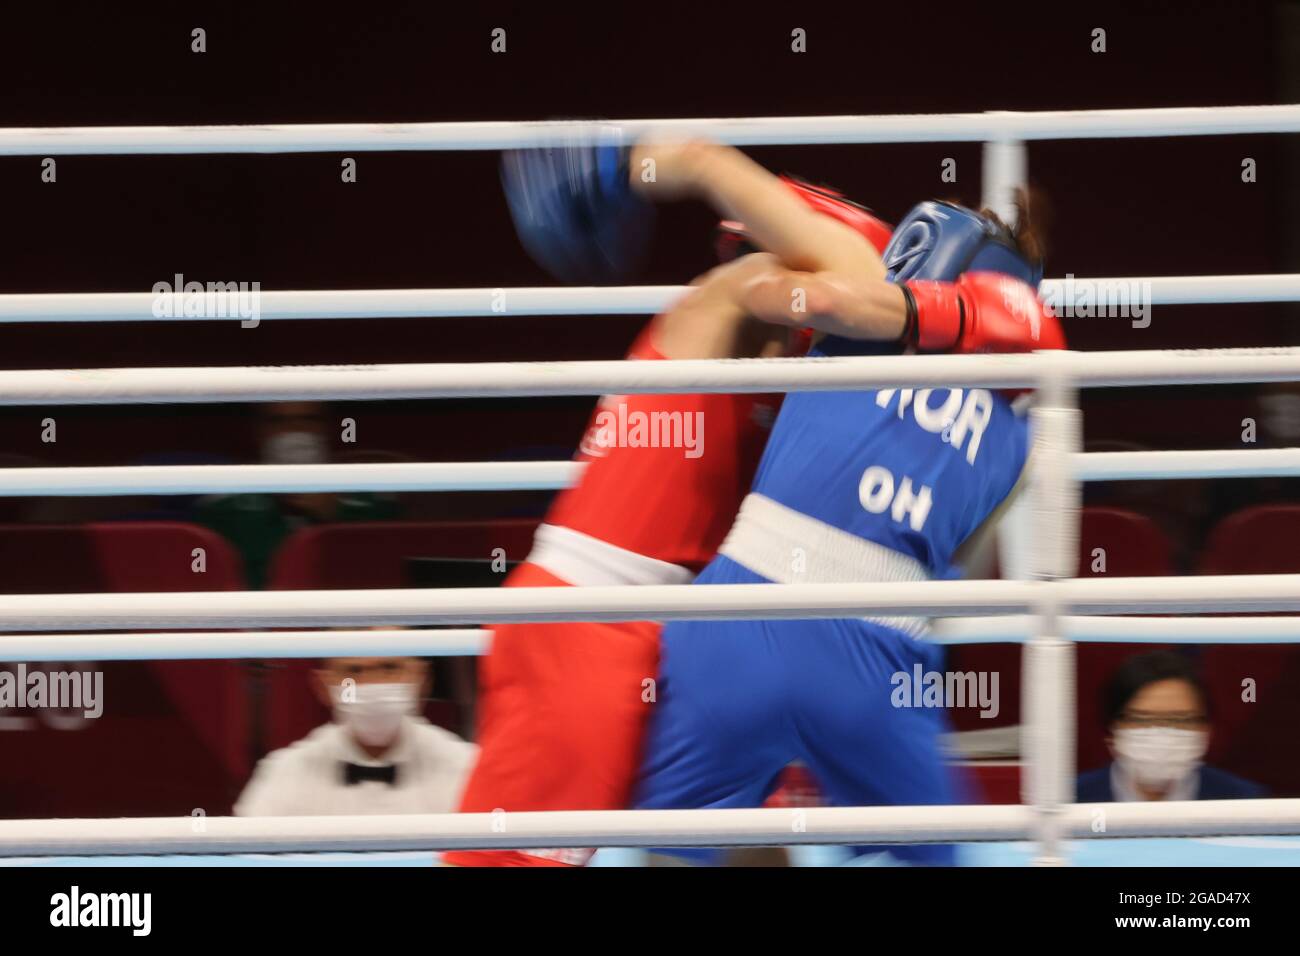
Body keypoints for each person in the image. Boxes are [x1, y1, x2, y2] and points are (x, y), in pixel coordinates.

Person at [446, 140, 900, 867]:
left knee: (735, 847)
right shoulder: (723, 300)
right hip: (586, 621)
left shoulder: (807, 394)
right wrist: (701, 164)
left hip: (682, 637)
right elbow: (860, 277)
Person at [627, 143, 1066, 866]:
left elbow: (771, 294)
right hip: (874, 656)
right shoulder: (1019, 440)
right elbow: (959, 564)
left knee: (668, 849)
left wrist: (813, 252)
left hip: (733, 613)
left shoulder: (857, 311)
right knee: (937, 857)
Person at [234, 654, 475, 816]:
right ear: (323, 685)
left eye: (389, 668)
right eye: (354, 671)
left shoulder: (466, 766)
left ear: (421, 676)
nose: (372, 682)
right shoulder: (286, 770)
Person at [1076, 650, 1265, 802]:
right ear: (1111, 731)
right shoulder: (1071, 801)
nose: (1161, 733)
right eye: (1142, 719)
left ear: (1206, 731)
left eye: (1181, 720)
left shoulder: (1243, 801)